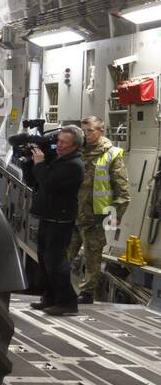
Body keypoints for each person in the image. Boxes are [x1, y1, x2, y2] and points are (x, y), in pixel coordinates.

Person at [25, 125, 86, 316]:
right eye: (58, 141)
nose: (58, 145)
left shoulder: (73, 165)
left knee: (56, 260)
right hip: (48, 216)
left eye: (63, 143)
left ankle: (67, 302)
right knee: (44, 258)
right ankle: (50, 297)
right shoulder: (58, 161)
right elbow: (34, 181)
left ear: (74, 146)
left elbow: (49, 183)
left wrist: (40, 163)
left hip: (60, 219)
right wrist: (29, 162)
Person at [67, 115, 129, 304]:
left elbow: (122, 189)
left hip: (95, 216)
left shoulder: (111, 154)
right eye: (84, 131)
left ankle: (87, 293)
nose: (86, 134)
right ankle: (60, 289)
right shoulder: (77, 151)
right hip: (72, 213)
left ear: (101, 130)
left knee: (92, 255)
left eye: (90, 130)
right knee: (65, 254)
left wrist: (116, 214)